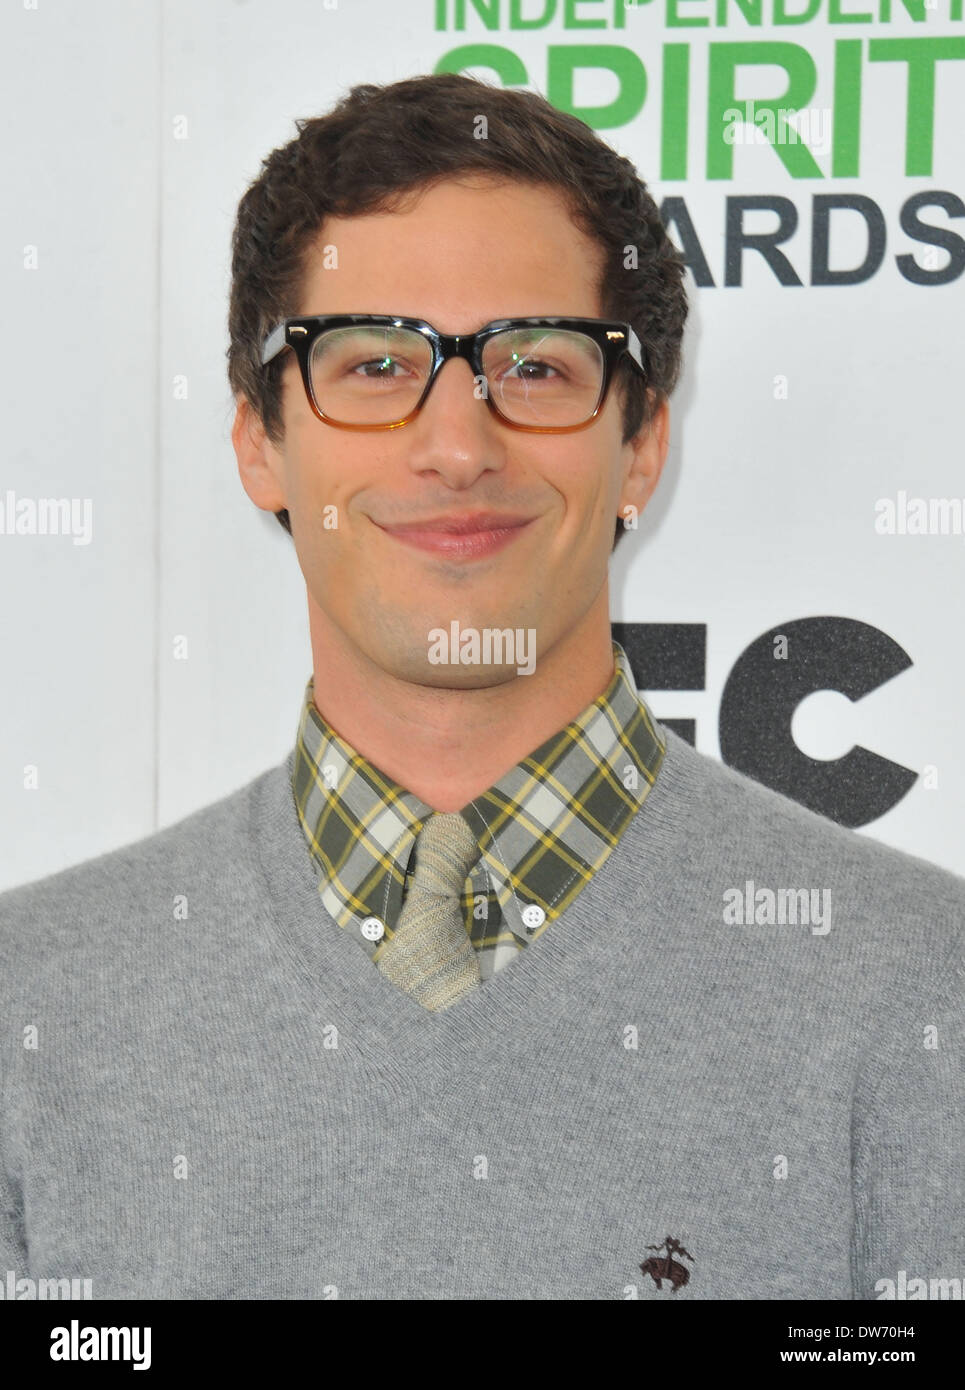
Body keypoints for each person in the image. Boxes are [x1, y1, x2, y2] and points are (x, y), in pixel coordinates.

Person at [1, 73, 962, 1302]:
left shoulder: (922, 992)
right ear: (258, 439)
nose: (457, 443)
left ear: (643, 445)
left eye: (538, 366)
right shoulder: (32, 1007)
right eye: (371, 363)